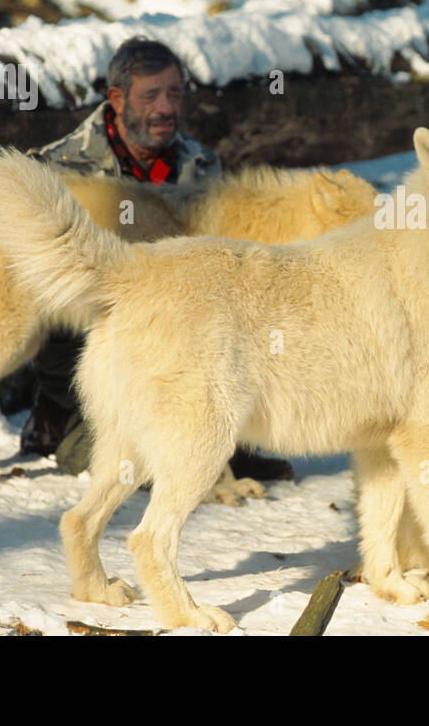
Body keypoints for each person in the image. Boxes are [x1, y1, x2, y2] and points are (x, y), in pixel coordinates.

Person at [22, 36, 292, 483]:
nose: (167, 108)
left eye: (174, 93)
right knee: (133, 465)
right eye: (151, 95)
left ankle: (227, 443)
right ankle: (57, 424)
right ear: (116, 99)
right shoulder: (57, 169)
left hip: (175, 341)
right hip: (90, 356)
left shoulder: (201, 166)